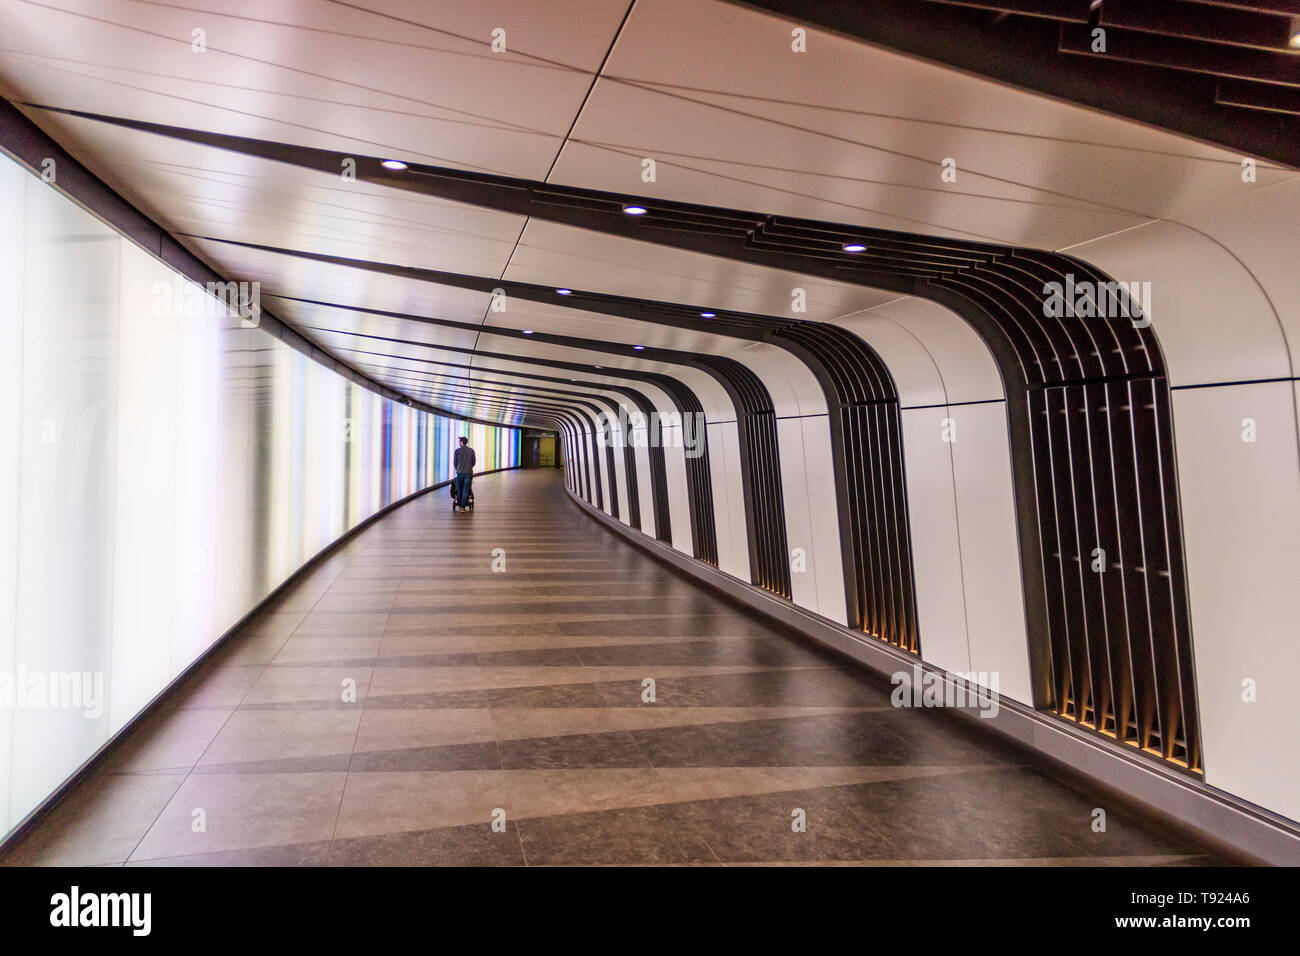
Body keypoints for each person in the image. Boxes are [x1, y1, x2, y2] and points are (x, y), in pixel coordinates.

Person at [452, 436, 475, 512]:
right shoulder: (471, 450)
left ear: (461, 442)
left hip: (460, 473)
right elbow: (473, 462)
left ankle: (459, 503)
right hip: (468, 473)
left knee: (459, 489)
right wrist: (468, 467)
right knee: (466, 490)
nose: (459, 442)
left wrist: (458, 468)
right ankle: (463, 507)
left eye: (459, 441)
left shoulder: (457, 451)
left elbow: (455, 463)